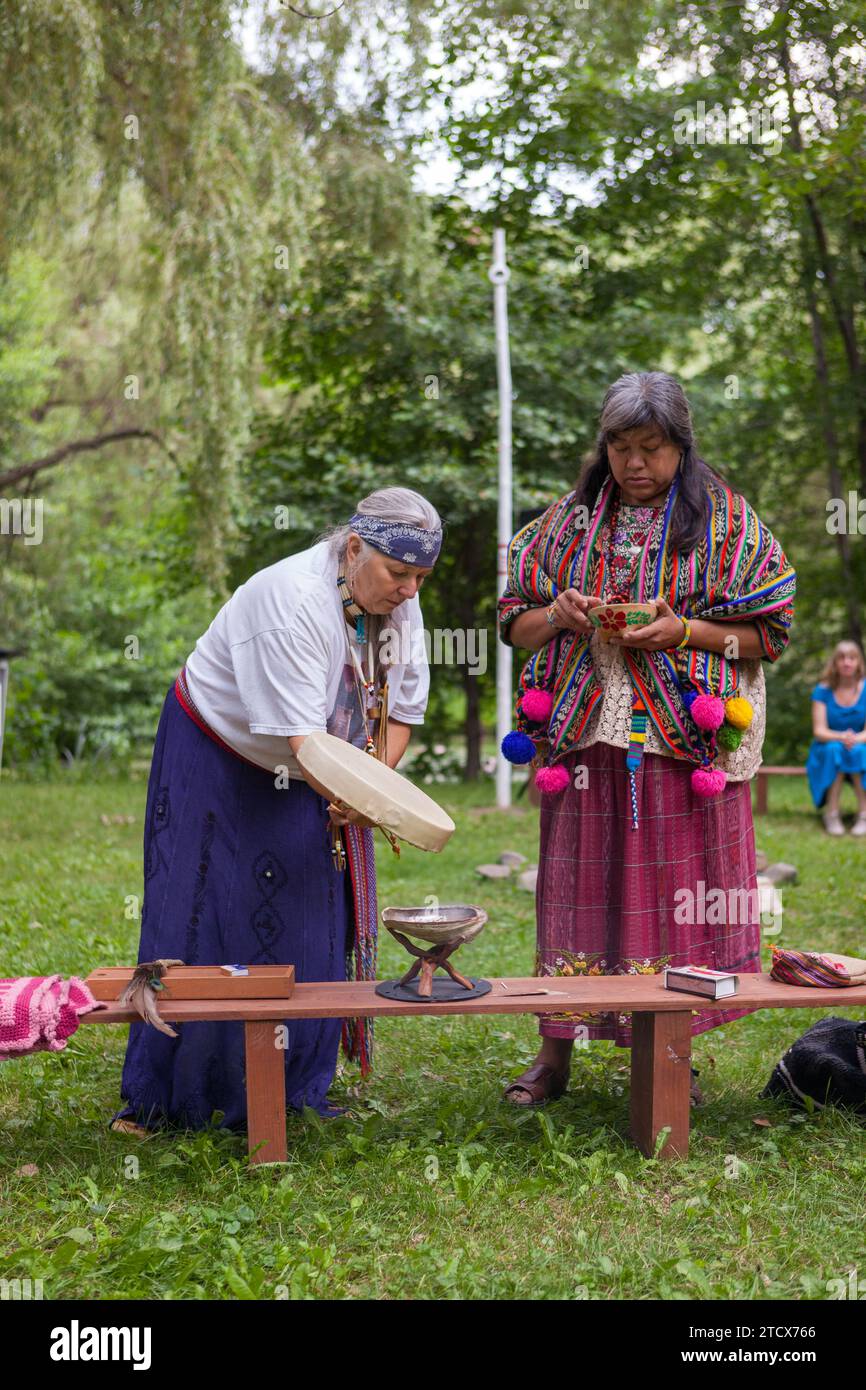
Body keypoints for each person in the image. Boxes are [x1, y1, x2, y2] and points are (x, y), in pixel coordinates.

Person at [497, 371, 796, 1107]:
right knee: (576, 891)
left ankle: (670, 1053)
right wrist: (560, 617)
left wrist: (683, 630)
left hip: (681, 743)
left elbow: (768, 635)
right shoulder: (567, 523)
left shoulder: (726, 523)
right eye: (621, 447)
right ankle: (555, 1054)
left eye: (652, 449)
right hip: (585, 739)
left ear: (681, 447)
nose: (635, 464)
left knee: (675, 898)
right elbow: (514, 623)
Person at [111, 486, 442, 1135]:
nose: (409, 590)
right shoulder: (290, 602)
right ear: (354, 548)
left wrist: (369, 785)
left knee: (305, 911)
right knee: (201, 907)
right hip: (219, 748)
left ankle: (292, 1088)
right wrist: (355, 792)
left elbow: (401, 712)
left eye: (421, 578)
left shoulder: (400, 604)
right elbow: (306, 745)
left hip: (319, 757)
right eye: (399, 573)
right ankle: (162, 1100)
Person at [806, 640, 866, 836]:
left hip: (860, 745)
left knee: (857, 750)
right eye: (841, 658)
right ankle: (832, 814)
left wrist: (854, 739)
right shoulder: (822, 691)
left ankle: (864, 815)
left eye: (852, 658)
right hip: (826, 748)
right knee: (834, 749)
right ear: (835, 662)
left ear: (858, 662)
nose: (846, 662)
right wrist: (842, 736)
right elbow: (819, 731)